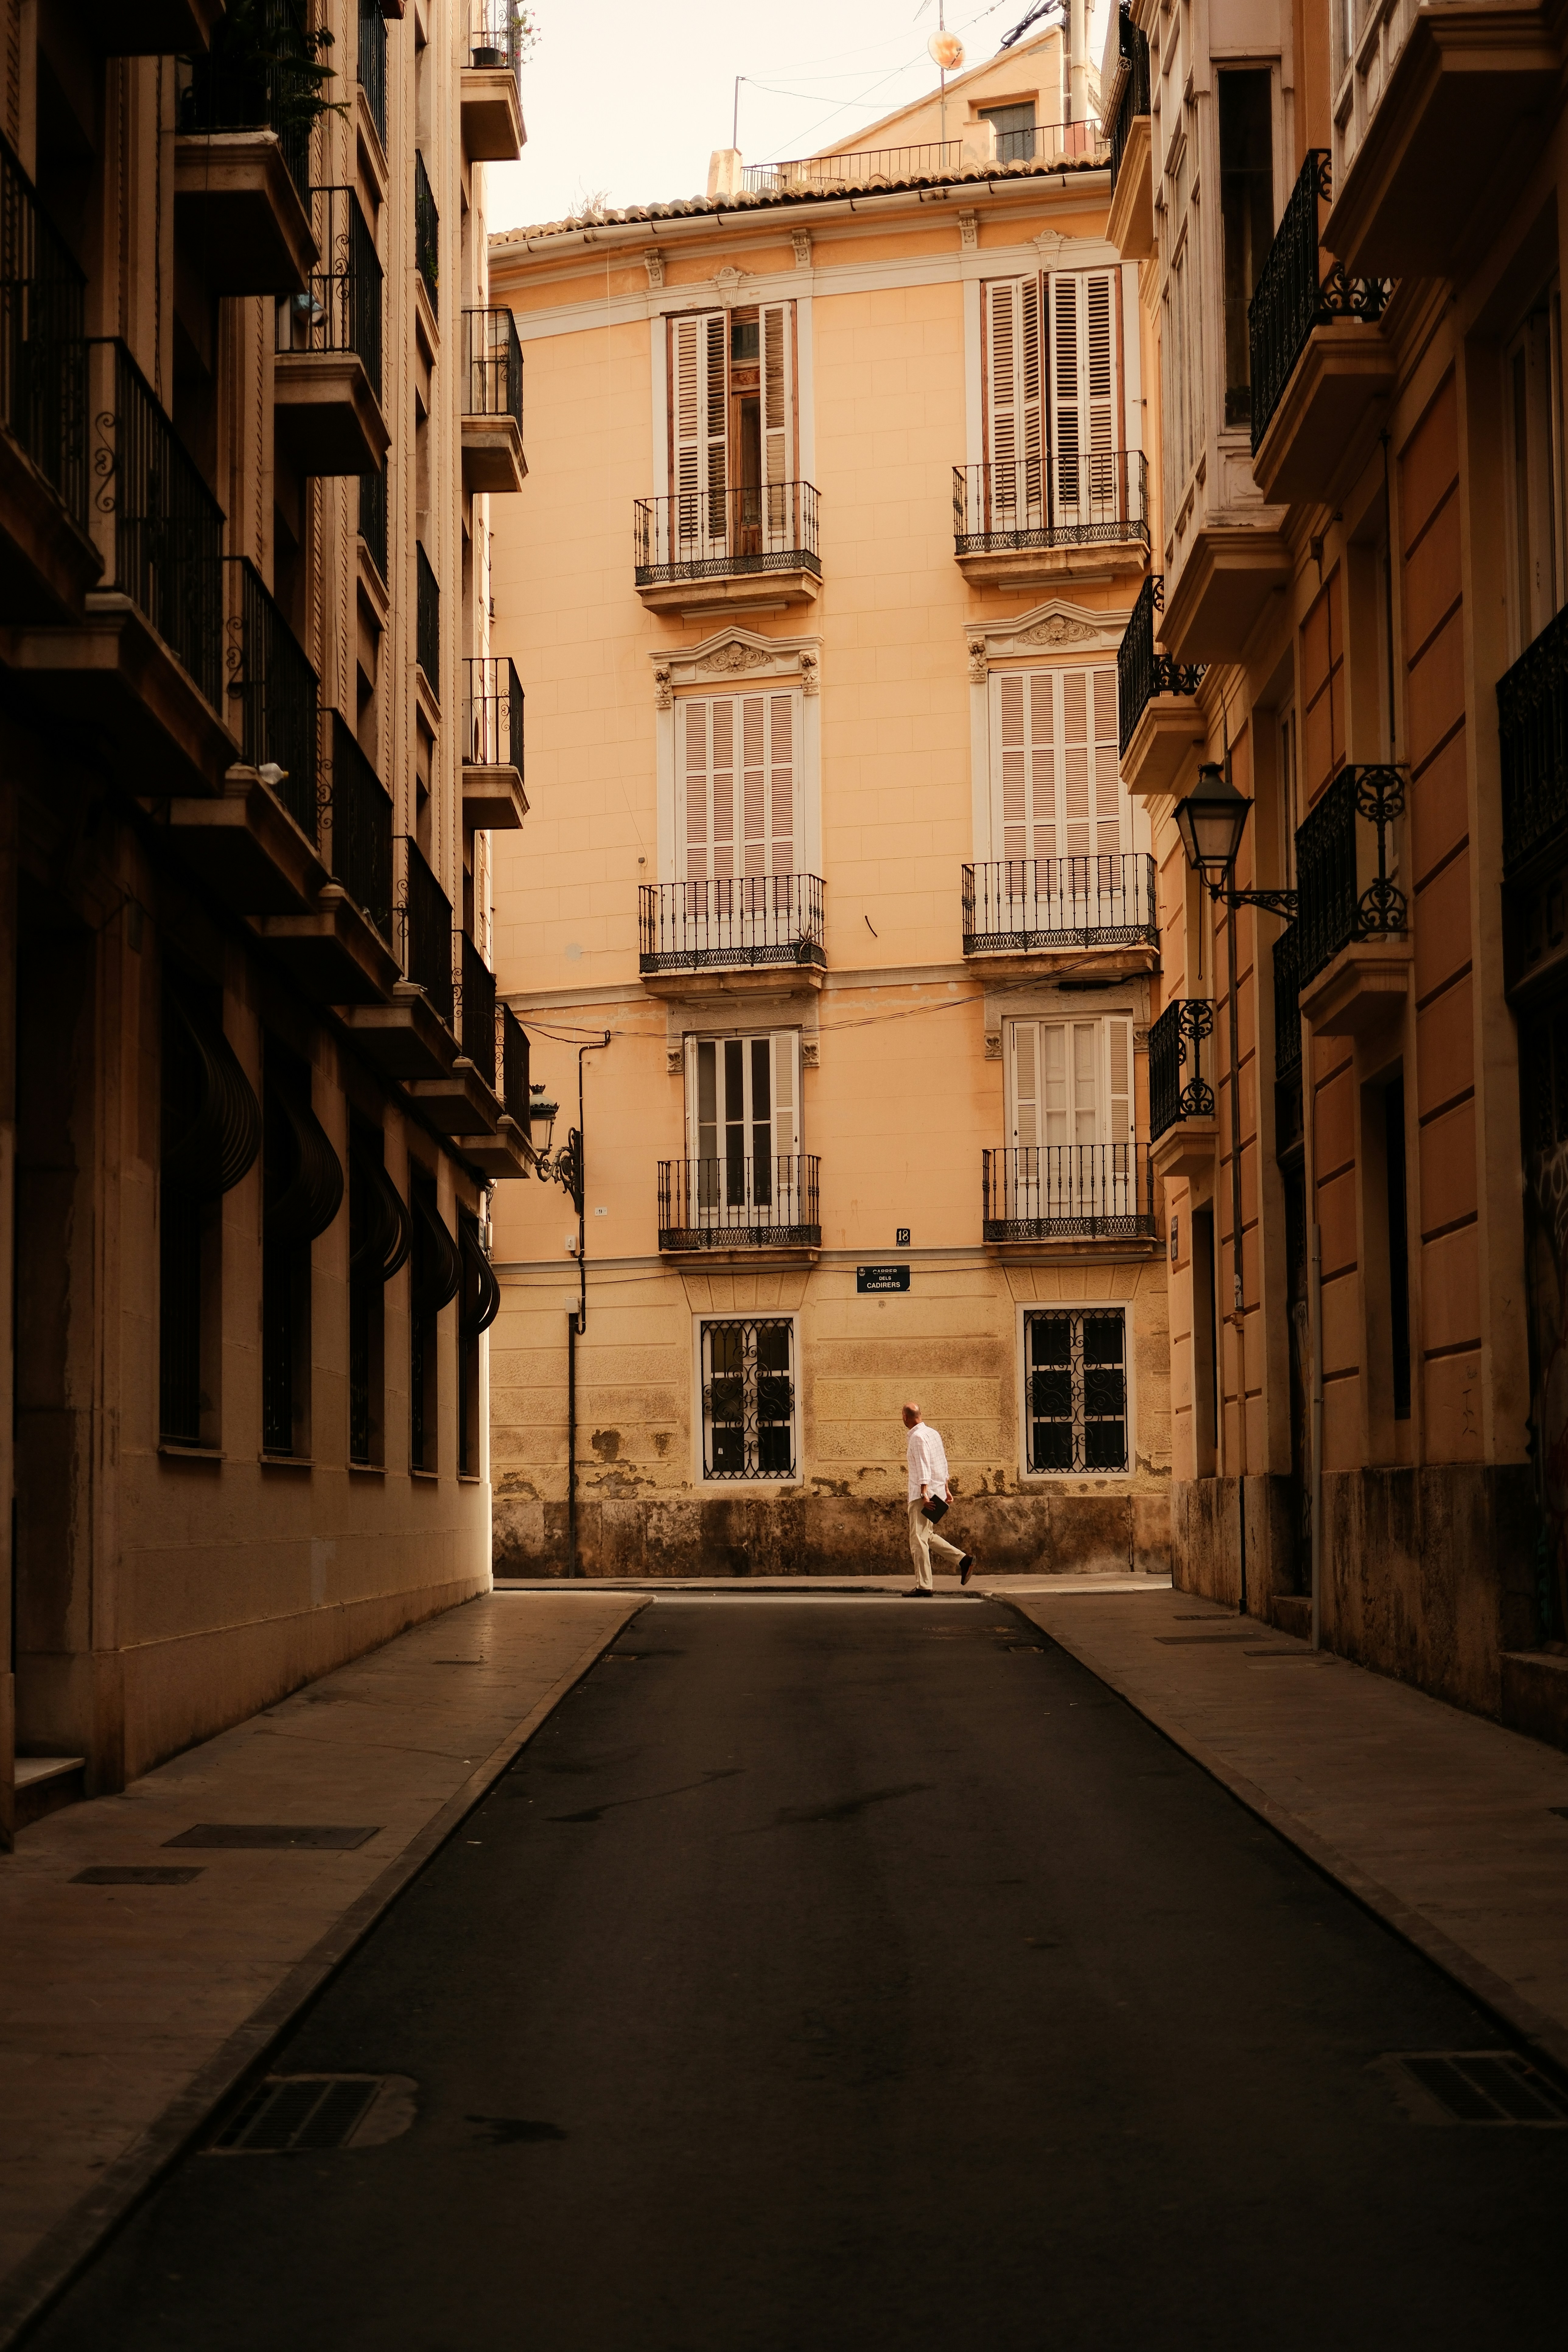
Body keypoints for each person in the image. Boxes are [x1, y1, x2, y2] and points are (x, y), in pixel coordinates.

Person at [902, 1402, 974, 1594]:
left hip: (923, 1496)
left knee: (918, 1539)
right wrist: (946, 1488)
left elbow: (925, 1466)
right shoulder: (932, 1433)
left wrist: (924, 1493)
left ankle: (924, 1586)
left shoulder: (917, 1437)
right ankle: (964, 1560)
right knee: (928, 1535)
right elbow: (942, 1462)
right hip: (937, 1492)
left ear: (906, 1418)